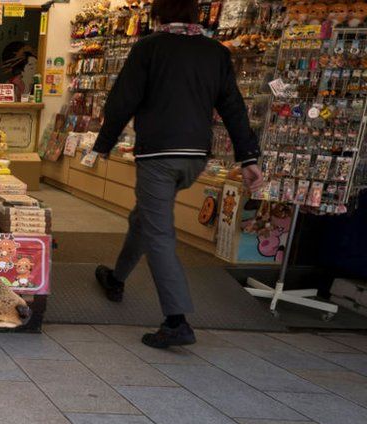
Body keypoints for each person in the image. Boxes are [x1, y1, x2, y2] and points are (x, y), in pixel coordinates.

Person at [91, 0, 264, 348]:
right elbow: (232, 106)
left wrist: (102, 145)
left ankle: (176, 320)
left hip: (158, 154)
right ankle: (116, 277)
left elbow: (122, 100)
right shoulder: (215, 52)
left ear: (157, 14)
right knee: (145, 218)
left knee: (159, 234)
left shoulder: (149, 48)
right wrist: (248, 157)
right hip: (195, 157)